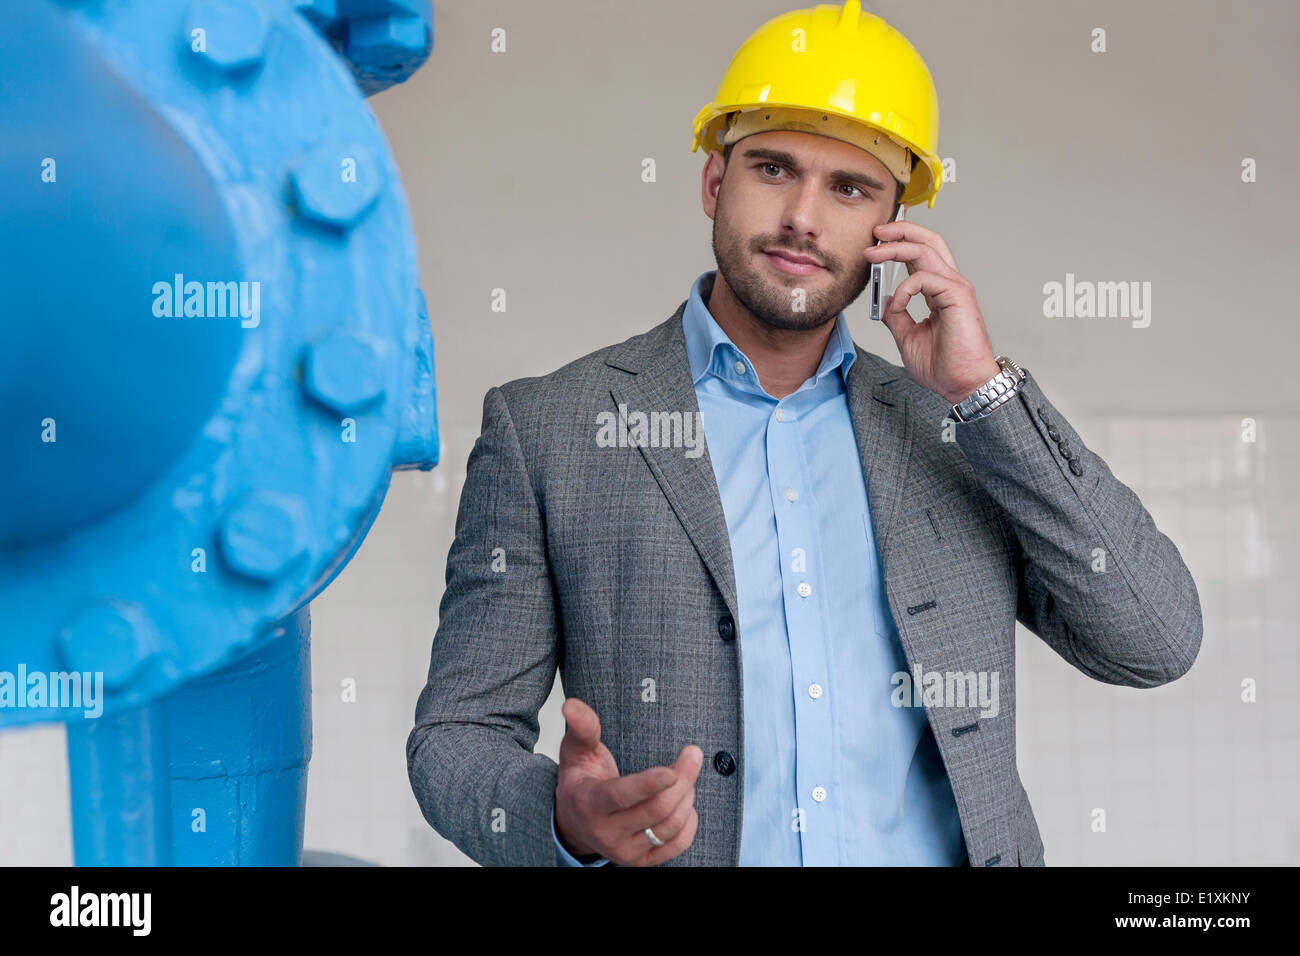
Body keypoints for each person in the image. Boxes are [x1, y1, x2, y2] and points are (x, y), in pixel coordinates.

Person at [406, 0, 1201, 867]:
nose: (804, 219)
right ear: (715, 182)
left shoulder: (963, 433)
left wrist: (986, 393)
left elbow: (1154, 642)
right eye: (774, 169)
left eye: (850, 188)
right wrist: (564, 820)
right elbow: (457, 738)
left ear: (892, 231)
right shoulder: (548, 431)